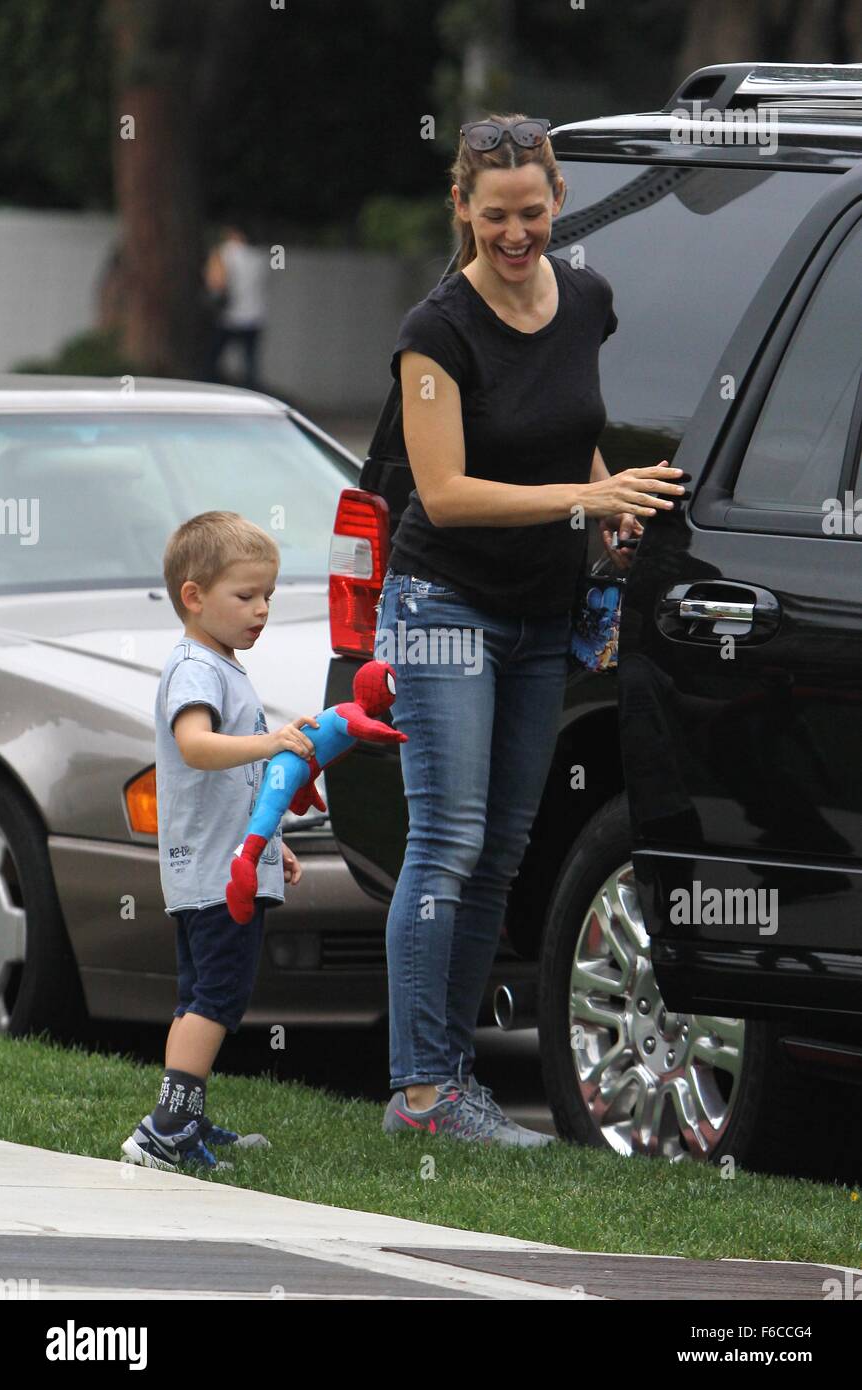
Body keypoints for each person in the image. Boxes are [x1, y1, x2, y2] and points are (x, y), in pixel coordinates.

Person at [376, 113, 685, 1146]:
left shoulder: (585, 300)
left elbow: (573, 437)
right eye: (495, 215)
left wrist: (615, 510)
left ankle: (450, 1083)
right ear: (461, 208)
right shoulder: (436, 332)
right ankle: (421, 1091)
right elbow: (445, 494)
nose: (516, 235)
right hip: (442, 605)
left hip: (537, 611)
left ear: (556, 199)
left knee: (502, 847)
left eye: (534, 212)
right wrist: (581, 504)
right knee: (448, 838)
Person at [121, 511, 319, 1170]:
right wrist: (270, 741)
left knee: (198, 995)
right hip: (211, 875)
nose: (261, 609)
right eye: (246, 596)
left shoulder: (222, 664)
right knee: (217, 998)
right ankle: (166, 1128)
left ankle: (185, 1120)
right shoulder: (195, 668)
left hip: (220, 863)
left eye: (268, 595)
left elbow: (235, 788)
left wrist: (271, 842)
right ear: (194, 597)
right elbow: (196, 746)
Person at [203, 225, 268, 389]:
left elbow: (214, 282)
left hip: (230, 316)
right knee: (250, 363)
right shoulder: (258, 257)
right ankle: (251, 392)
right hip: (254, 316)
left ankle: (209, 387)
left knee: (212, 358)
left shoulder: (225, 252)